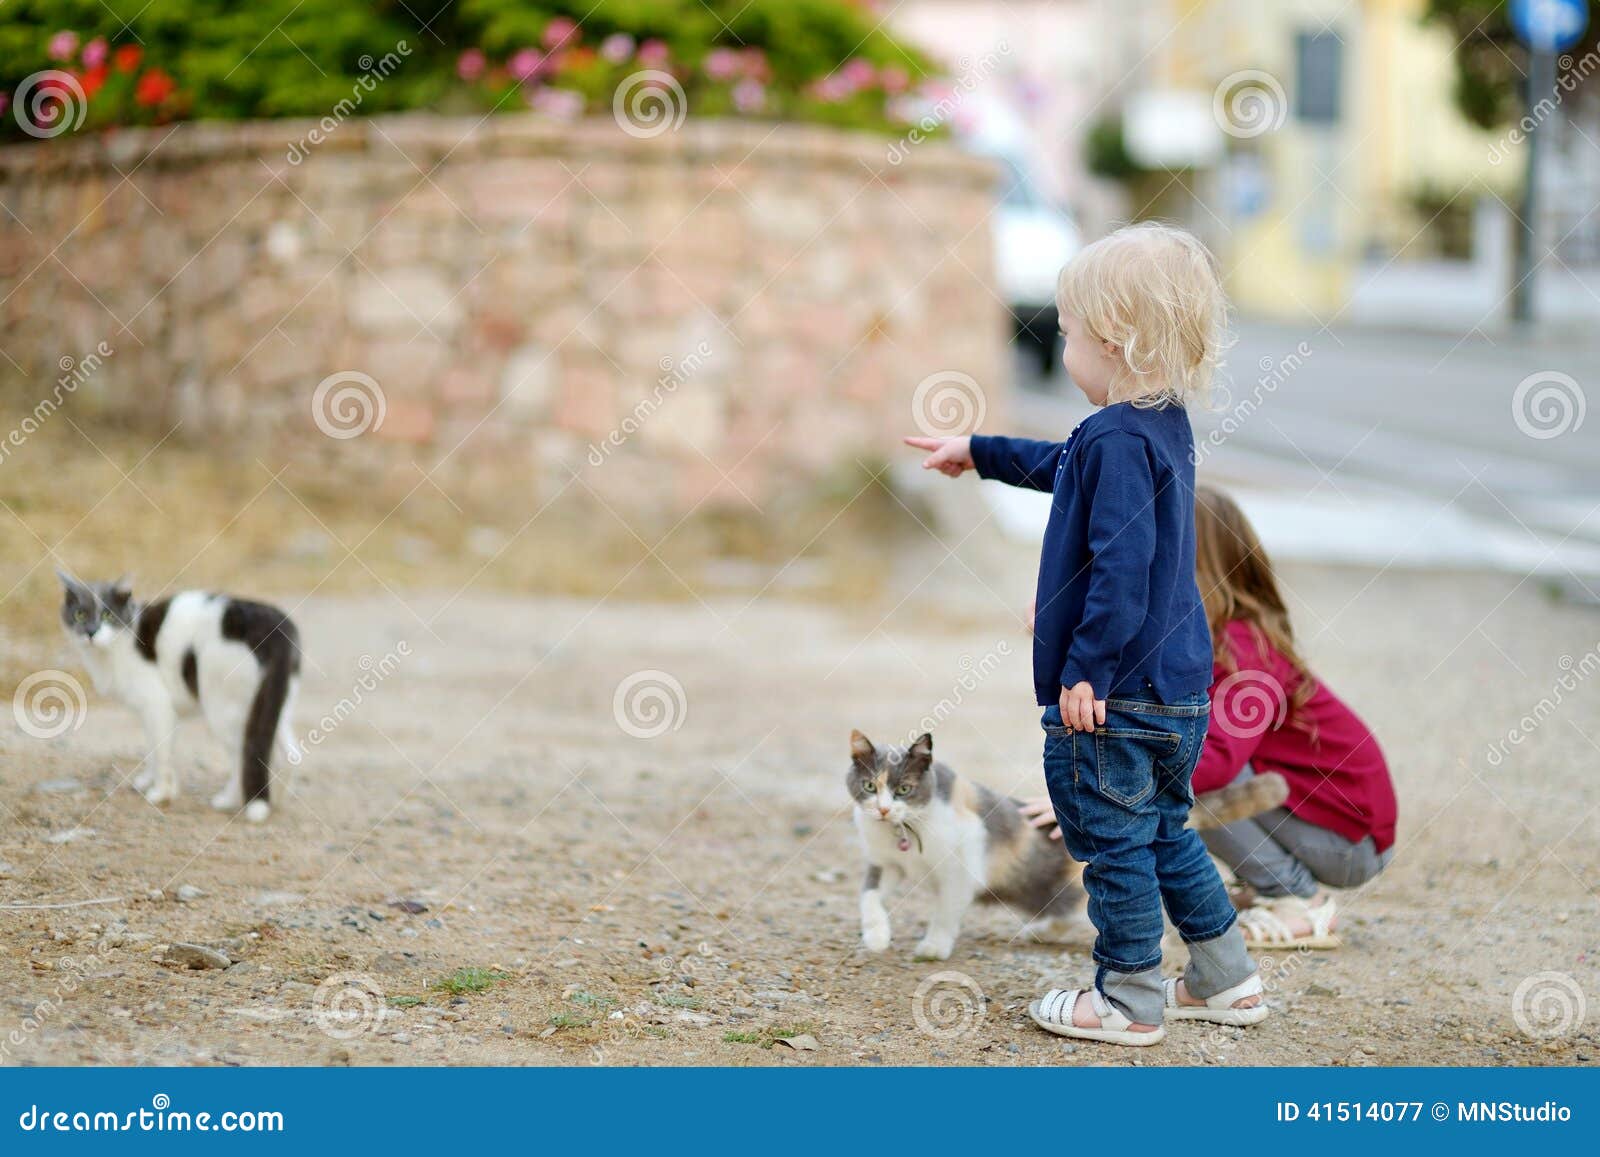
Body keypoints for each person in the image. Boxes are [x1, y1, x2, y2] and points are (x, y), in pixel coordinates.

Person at [904, 223, 1265, 1047]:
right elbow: (1064, 466)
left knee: (1111, 843)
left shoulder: (1112, 435)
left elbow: (1123, 566)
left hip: (1115, 697)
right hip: (1175, 692)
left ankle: (1130, 997)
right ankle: (1224, 975)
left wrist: (1087, 669)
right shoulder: (1156, 425)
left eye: (1065, 333)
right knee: (1165, 830)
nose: (1061, 347)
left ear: (1113, 338)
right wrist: (980, 452)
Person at [1022, 486, 1397, 949]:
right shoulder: (1196, 637)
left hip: (1350, 841)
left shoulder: (1244, 651)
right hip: (1307, 812)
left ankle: (1297, 898)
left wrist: (1111, 791)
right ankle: (1268, 879)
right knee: (1169, 763)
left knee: (1181, 779)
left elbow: (1214, 761)